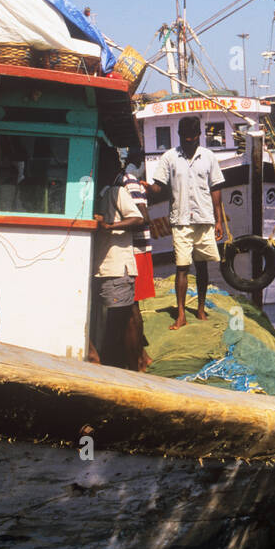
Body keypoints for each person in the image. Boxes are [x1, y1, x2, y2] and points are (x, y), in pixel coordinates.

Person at [144, 115, 226, 330]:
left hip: (204, 218)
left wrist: (219, 220)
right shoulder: (169, 157)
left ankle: (200, 308)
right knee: (182, 267)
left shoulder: (208, 157)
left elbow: (216, 187)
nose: (189, 141)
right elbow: (159, 187)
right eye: (185, 137)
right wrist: (147, 188)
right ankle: (181, 314)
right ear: (179, 135)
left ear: (199, 135)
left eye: (193, 137)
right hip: (180, 220)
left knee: (202, 265)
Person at [89, 146, 145, 369]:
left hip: (117, 269)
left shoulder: (117, 192)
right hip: (104, 268)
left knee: (116, 328)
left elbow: (138, 219)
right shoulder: (100, 193)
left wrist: (109, 225)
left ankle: (131, 371)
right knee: (110, 329)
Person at [123, 151, 155, 371]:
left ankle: (138, 361)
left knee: (131, 307)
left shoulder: (129, 183)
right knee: (132, 307)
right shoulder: (130, 182)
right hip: (137, 248)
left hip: (136, 249)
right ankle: (141, 355)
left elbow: (143, 216)